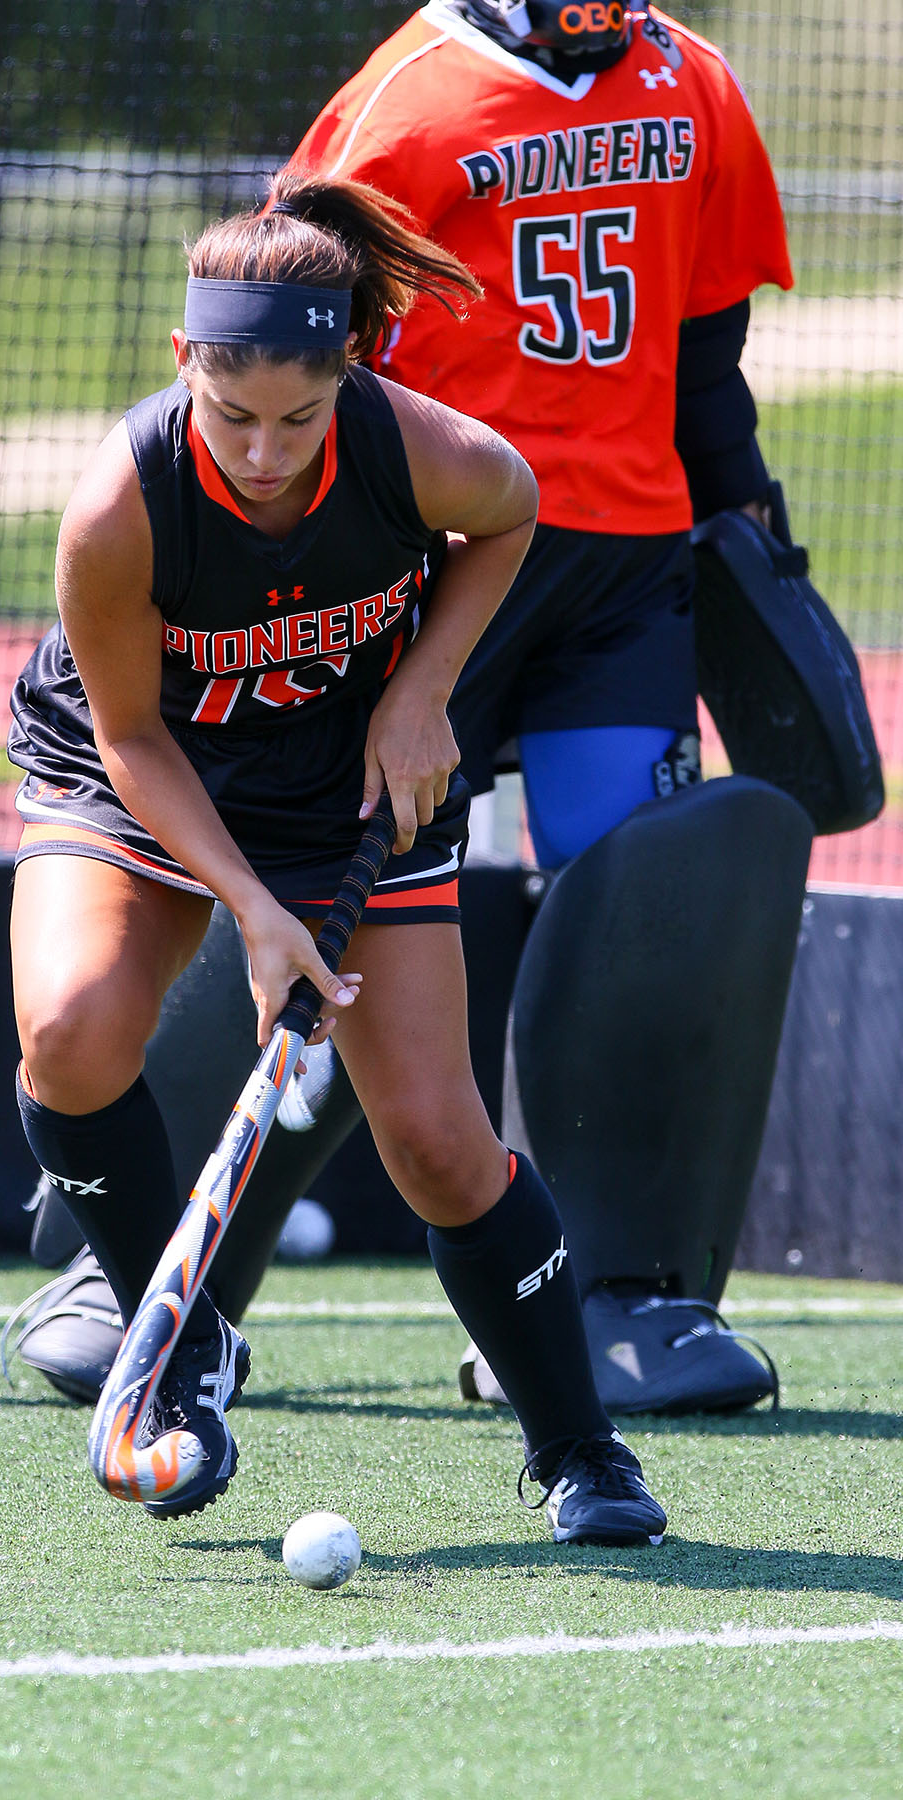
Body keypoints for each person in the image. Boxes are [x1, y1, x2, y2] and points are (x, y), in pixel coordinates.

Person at [6, 166, 667, 1545]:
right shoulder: (117, 511)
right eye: (233, 413)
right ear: (184, 360)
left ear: (347, 370)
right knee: (69, 1033)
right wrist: (250, 908)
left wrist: (424, 690)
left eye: (298, 417)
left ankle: (582, 1454)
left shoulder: (406, 445)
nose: (263, 448)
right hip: (143, 780)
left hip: (339, 786)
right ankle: (180, 1352)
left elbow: (513, 509)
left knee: (436, 1141)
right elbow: (131, 737)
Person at [275, 0, 815, 1414]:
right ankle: (153, 1267)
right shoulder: (406, 100)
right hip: (448, 565)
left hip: (626, 577)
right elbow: (298, 348)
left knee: (638, 893)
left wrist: (747, 517)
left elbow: (707, 355)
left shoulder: (695, 81)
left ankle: (618, 1290)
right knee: (345, 887)